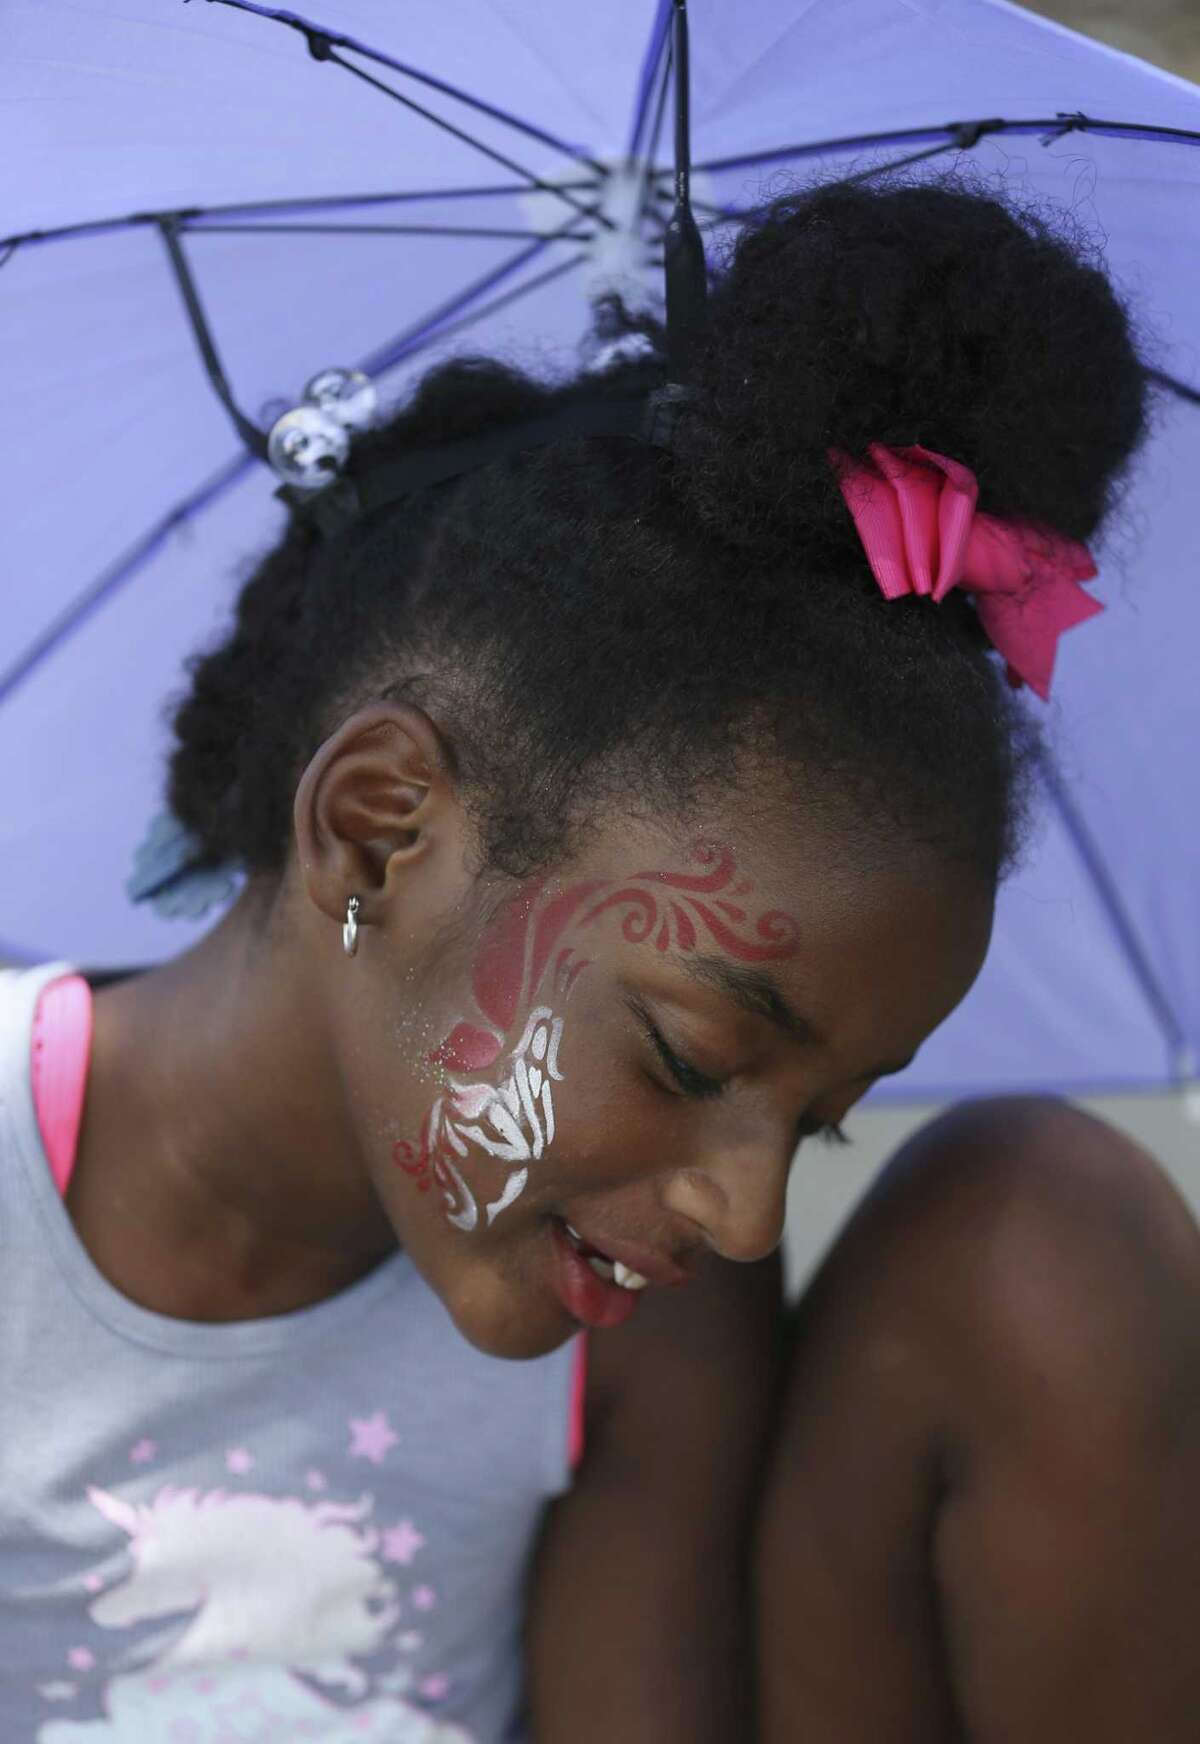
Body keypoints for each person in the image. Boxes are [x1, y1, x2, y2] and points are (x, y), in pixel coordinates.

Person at [0, 166, 1190, 1741]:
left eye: (818, 1117)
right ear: (374, 833)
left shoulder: (623, 1295)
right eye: (693, 1056)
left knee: (1055, 1217)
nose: (750, 1215)